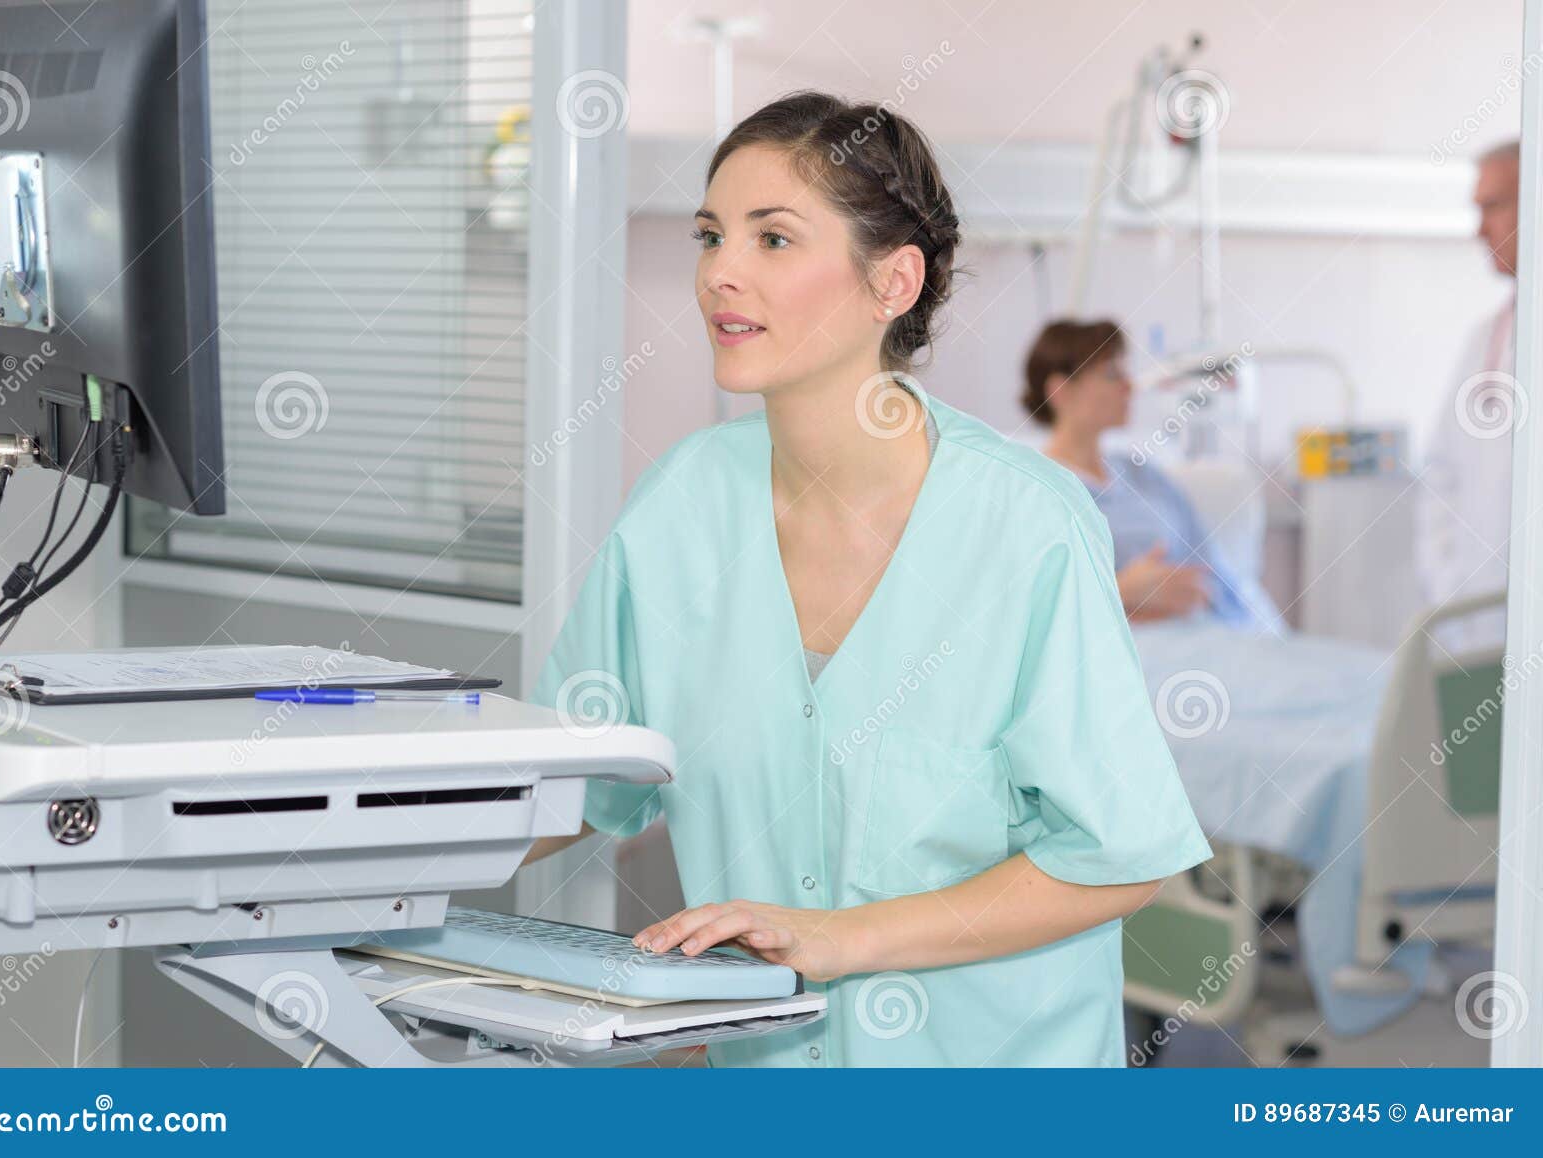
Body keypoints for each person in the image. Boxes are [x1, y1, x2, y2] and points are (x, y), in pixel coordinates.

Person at [524, 92, 1210, 1067]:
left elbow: (1117, 857)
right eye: (711, 235)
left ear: (892, 281)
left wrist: (844, 939)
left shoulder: (1026, 524)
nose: (720, 271)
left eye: (772, 240)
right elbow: (578, 785)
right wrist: (321, 849)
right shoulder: (679, 509)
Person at [1024, 319, 1286, 633]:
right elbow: (1032, 615)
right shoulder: (1036, 492)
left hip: (1210, 634)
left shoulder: (1145, 476)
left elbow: (1215, 572)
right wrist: (1117, 592)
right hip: (1137, 656)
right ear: (1060, 390)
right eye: (1111, 374)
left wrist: (1259, 635)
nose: (1129, 386)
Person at [1416, 139, 1518, 637]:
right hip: (1476, 628)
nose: (1480, 230)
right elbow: (1442, 474)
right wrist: (1449, 589)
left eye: (1494, 206)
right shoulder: (1486, 340)